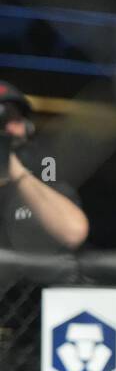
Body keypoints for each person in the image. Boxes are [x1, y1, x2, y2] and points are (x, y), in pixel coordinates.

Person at [0, 80, 88, 252]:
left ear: (26, 126)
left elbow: (72, 232)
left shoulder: (45, 168)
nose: (5, 128)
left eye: (11, 117)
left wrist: (13, 167)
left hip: (31, 275)